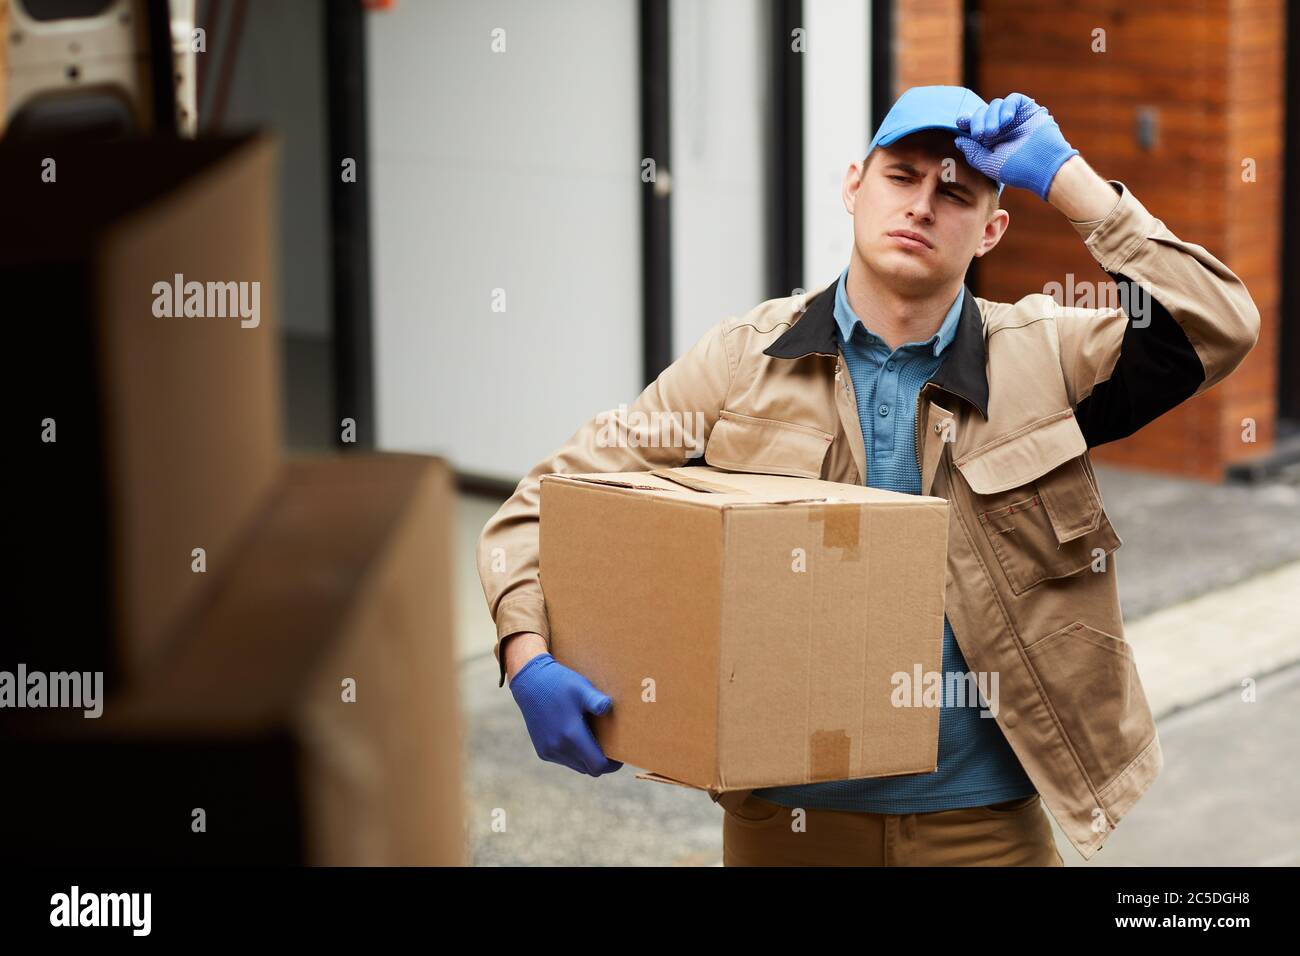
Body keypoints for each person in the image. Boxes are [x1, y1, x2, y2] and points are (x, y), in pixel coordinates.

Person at [476, 86, 1260, 866]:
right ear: (854, 187)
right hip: (787, 828)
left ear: (992, 230)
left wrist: (1069, 180)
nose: (922, 204)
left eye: (954, 191)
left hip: (985, 830)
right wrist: (527, 656)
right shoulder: (741, 360)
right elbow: (545, 502)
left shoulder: (1045, 358)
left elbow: (1218, 323)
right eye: (902, 175)